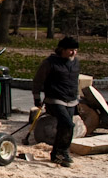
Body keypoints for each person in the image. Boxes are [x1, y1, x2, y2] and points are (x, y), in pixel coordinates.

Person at [32, 36, 81, 167]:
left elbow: (75, 81)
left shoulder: (75, 62)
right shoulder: (50, 63)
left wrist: (77, 97)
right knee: (68, 124)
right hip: (55, 99)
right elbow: (38, 80)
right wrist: (37, 97)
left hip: (71, 99)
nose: (74, 53)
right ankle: (62, 152)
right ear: (62, 49)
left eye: (75, 50)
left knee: (65, 128)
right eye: (71, 50)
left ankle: (57, 154)